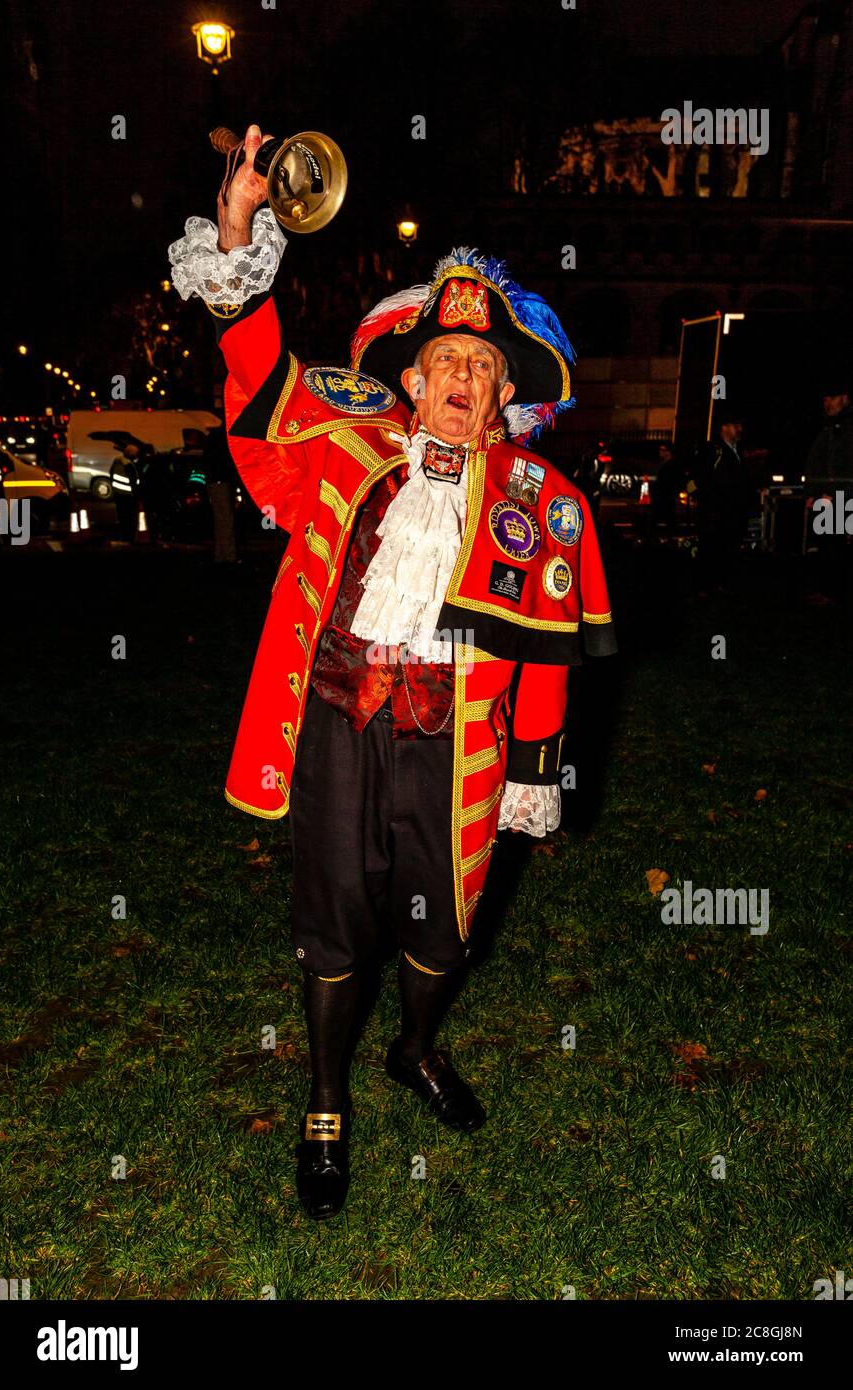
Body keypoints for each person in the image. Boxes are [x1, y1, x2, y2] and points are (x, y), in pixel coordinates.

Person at [169, 124, 617, 1221]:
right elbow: (256, 381)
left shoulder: (539, 502)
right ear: (409, 380)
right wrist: (238, 240)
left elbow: (548, 648)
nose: (462, 378)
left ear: (504, 394)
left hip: (458, 739)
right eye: (446, 362)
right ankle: (325, 1098)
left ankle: (414, 1048)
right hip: (338, 721)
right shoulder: (344, 443)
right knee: (333, 919)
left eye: (483, 367)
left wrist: (534, 771)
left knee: (443, 926)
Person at [803, 377, 853, 604]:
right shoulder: (829, 428)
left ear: (845, 398)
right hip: (828, 498)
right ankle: (826, 590)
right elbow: (816, 462)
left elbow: (844, 465)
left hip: (841, 497)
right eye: (825, 399)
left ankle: (834, 593)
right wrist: (812, 493)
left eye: (832, 398)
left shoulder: (847, 428)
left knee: (837, 546)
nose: (827, 403)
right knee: (825, 546)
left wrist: (834, 492)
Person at [691, 408, 750, 596]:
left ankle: (721, 585)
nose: (739, 429)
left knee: (727, 551)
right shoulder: (712, 451)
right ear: (724, 428)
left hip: (731, 514)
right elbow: (699, 480)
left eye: (740, 425)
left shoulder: (737, 452)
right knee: (711, 550)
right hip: (715, 514)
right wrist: (710, 501)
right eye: (735, 425)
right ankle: (707, 587)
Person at [202, 420, 239, 564]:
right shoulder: (223, 438)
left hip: (214, 481)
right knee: (226, 519)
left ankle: (220, 553)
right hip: (221, 480)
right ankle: (229, 554)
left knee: (220, 519)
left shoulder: (214, 437)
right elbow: (226, 461)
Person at [110, 442, 142, 543]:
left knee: (122, 518)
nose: (136, 456)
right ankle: (129, 538)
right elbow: (133, 483)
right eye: (136, 454)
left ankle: (124, 536)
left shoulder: (117, 460)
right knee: (130, 519)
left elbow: (111, 473)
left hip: (118, 494)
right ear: (132, 454)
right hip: (128, 497)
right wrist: (137, 497)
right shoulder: (129, 465)